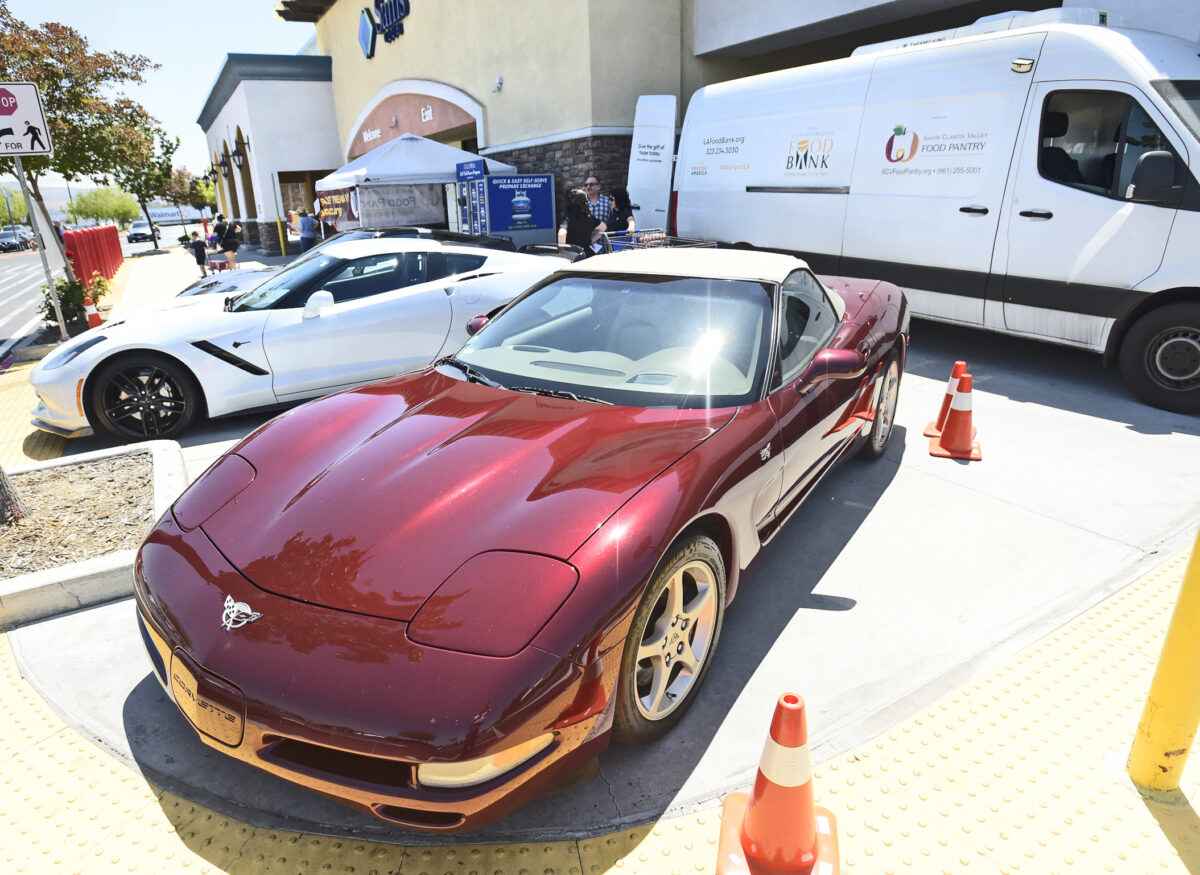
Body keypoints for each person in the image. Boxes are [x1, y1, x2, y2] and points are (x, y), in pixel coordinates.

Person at [558, 188, 606, 256]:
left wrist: (562, 251)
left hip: (573, 256)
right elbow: (603, 227)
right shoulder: (589, 217)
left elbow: (561, 234)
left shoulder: (568, 218)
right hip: (588, 255)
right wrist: (592, 240)